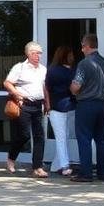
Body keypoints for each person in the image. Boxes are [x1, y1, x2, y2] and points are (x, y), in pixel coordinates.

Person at [70, 32, 104, 183]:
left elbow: (76, 86)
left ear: (88, 46)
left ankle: (86, 173)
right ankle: (103, 172)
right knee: (102, 139)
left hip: (87, 104)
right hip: (103, 105)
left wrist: (71, 88)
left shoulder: (85, 63)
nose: (82, 49)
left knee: (84, 139)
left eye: (83, 46)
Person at [3, 40, 49, 178]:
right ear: (28, 54)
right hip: (24, 105)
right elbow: (7, 83)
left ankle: (37, 167)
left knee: (40, 136)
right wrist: (17, 94)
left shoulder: (43, 69)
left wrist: (47, 103)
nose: (38, 56)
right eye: (35, 53)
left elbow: (44, 87)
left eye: (40, 53)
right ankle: (11, 158)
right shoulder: (20, 67)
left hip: (38, 105)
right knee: (24, 135)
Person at [45, 44, 77, 176]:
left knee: (64, 136)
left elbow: (46, 88)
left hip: (58, 107)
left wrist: (47, 105)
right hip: (64, 107)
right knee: (62, 137)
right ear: (65, 56)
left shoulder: (52, 70)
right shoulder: (69, 71)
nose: (73, 57)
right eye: (70, 54)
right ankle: (64, 165)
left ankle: (55, 165)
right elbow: (74, 89)